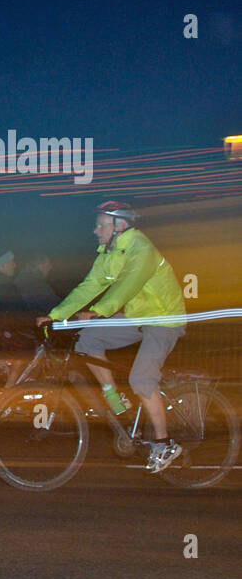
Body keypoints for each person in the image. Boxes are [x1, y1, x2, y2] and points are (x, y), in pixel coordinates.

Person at [38, 201, 186, 472]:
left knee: (141, 379)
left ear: (119, 226)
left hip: (163, 319)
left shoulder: (142, 249)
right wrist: (56, 314)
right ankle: (115, 401)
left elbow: (129, 284)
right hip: (137, 316)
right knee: (88, 341)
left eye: (100, 225)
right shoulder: (108, 253)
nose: (95, 230)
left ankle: (165, 444)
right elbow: (90, 286)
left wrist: (97, 311)